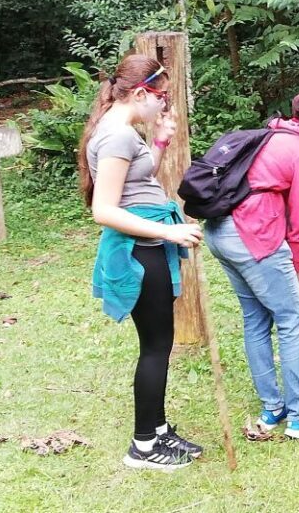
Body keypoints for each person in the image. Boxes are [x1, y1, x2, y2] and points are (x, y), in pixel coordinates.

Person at [79, 54, 204, 471]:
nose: (163, 105)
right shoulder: (116, 136)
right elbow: (104, 209)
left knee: (160, 346)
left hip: (149, 247)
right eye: (161, 97)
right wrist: (169, 231)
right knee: (155, 349)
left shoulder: (123, 131)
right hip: (139, 252)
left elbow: (140, 176)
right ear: (139, 93)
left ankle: (160, 429)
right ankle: (144, 446)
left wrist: (162, 140)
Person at [204, 90, 299, 439]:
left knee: (256, 319)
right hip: (254, 234)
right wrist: (297, 271)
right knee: (294, 317)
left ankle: (273, 408)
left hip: (219, 231)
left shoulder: (275, 133)